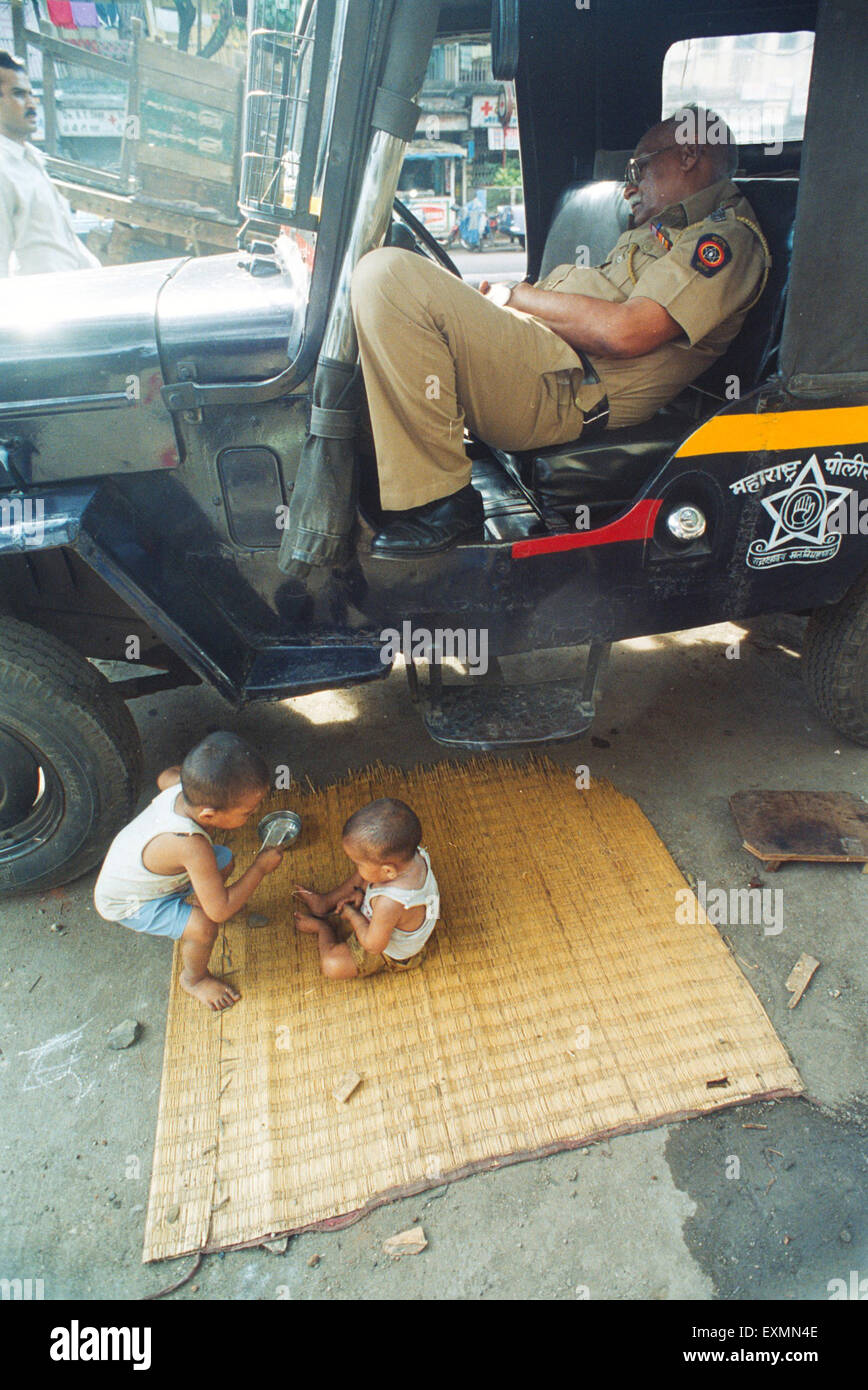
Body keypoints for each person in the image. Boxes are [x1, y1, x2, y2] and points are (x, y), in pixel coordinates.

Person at [350, 105, 770, 557]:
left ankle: (445, 503)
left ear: (688, 156)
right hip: (544, 361)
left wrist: (514, 296)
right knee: (391, 275)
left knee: (388, 274)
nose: (631, 185)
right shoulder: (660, 231)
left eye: (640, 167)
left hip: (568, 389)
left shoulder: (724, 241)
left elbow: (625, 332)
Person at [94, 731, 282, 1011]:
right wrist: (260, 868)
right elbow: (219, 912)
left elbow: (165, 776)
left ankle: (202, 899)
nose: (252, 816)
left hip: (153, 877)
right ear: (207, 815)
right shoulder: (191, 846)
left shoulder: (178, 788)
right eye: (247, 813)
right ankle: (194, 979)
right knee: (205, 925)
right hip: (130, 902)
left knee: (224, 859)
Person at [294, 797, 439, 980]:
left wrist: (353, 915)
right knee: (366, 873)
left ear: (388, 871)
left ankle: (323, 928)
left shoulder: (390, 903)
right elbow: (376, 879)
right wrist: (361, 892)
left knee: (333, 966)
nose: (356, 867)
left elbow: (372, 945)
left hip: (388, 950)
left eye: (358, 863)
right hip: (391, 914)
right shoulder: (412, 855)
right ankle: (325, 903)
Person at [0, 50, 101, 276]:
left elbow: (63, 244)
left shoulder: (32, 159)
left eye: (30, 93)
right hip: (43, 305)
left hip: (74, 296)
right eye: (18, 94)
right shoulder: (3, 170)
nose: (31, 104)